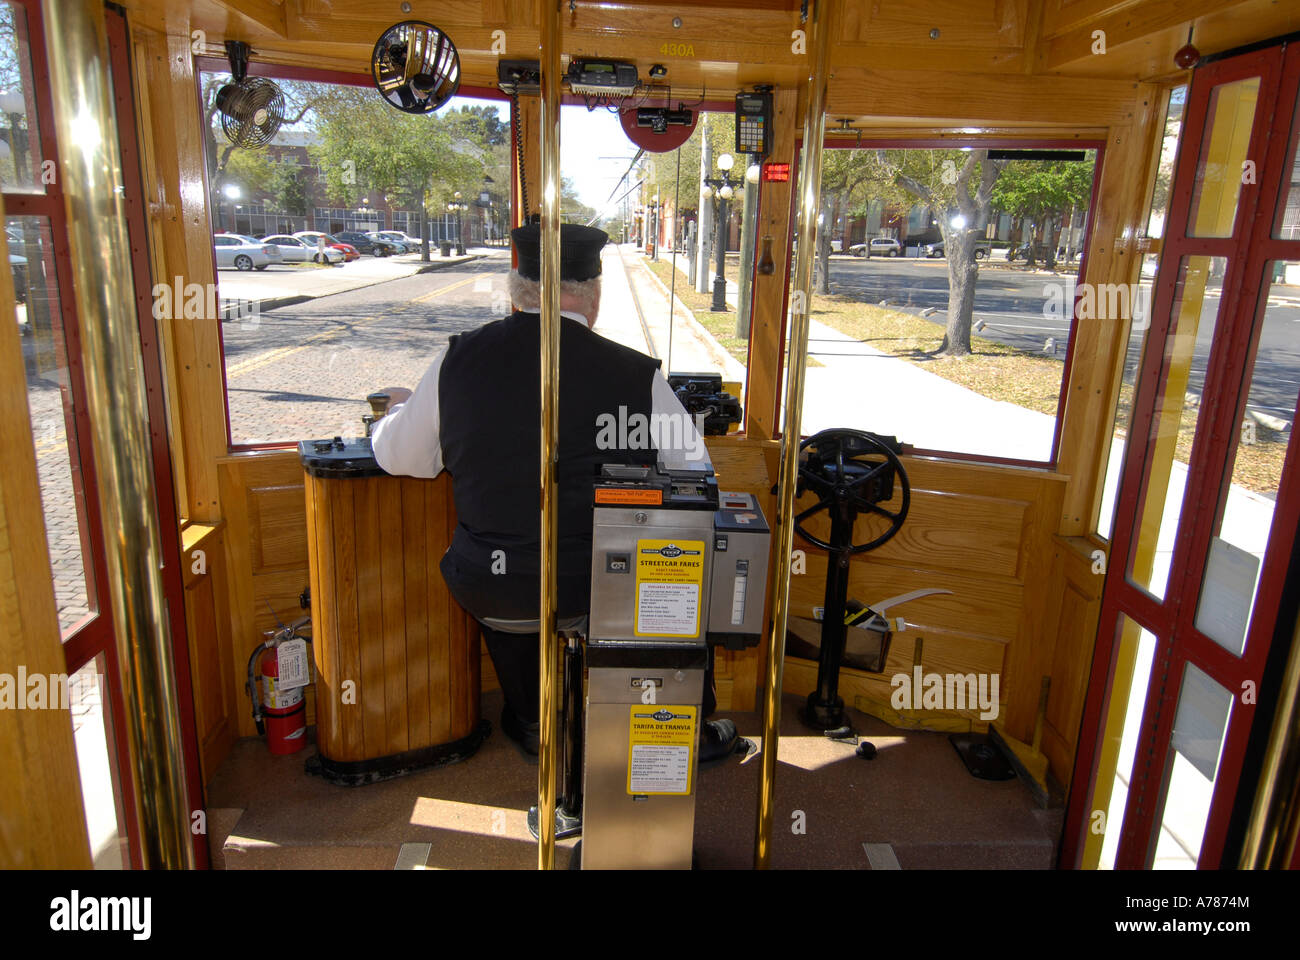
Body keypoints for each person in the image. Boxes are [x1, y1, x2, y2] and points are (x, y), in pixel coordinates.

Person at [371, 223, 738, 763]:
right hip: (596, 587)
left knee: (509, 582)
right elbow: (696, 475)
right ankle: (682, 725)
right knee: (679, 572)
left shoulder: (458, 361)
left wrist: (401, 411)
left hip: (492, 583)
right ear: (593, 294)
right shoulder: (636, 375)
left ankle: (531, 718)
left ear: (516, 288)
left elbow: (398, 457)